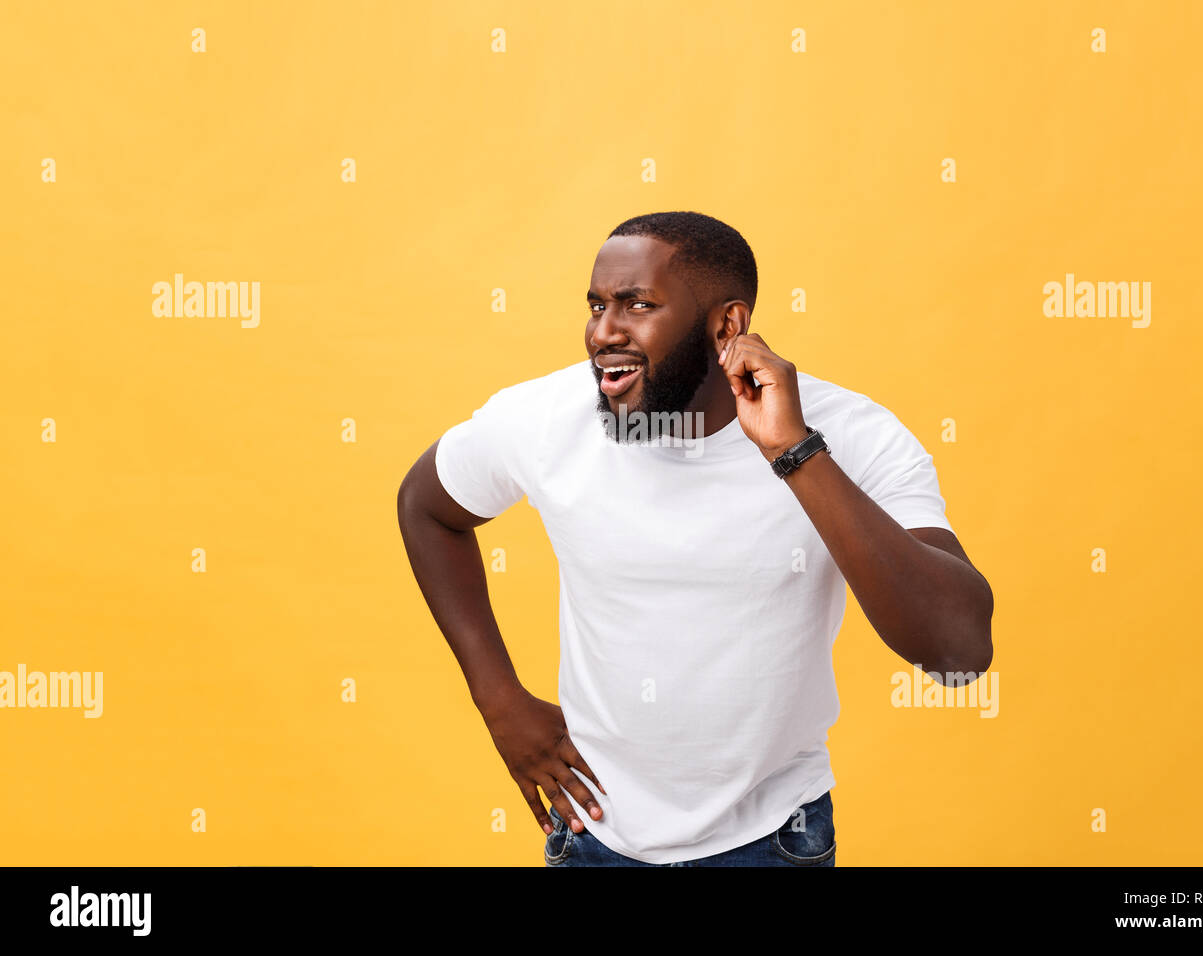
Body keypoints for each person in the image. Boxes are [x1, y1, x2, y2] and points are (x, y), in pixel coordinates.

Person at [397, 210, 994, 866]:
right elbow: (426, 508)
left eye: (637, 305)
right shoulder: (546, 416)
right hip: (595, 834)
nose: (603, 332)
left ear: (726, 326)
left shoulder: (849, 432)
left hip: (773, 840)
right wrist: (499, 699)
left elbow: (957, 652)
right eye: (597, 306)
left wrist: (794, 452)